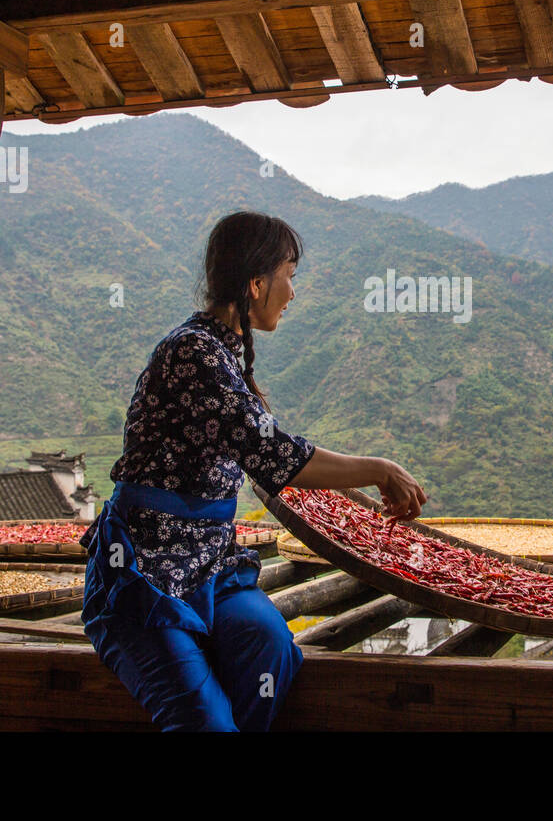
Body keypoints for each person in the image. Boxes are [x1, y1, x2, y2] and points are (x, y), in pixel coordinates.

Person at [81, 210, 427, 731]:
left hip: (209, 570)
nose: (293, 293)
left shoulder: (222, 351)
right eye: (289, 276)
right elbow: (275, 455)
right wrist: (378, 469)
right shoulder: (192, 353)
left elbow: (270, 454)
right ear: (256, 282)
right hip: (147, 574)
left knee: (273, 648)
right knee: (202, 721)